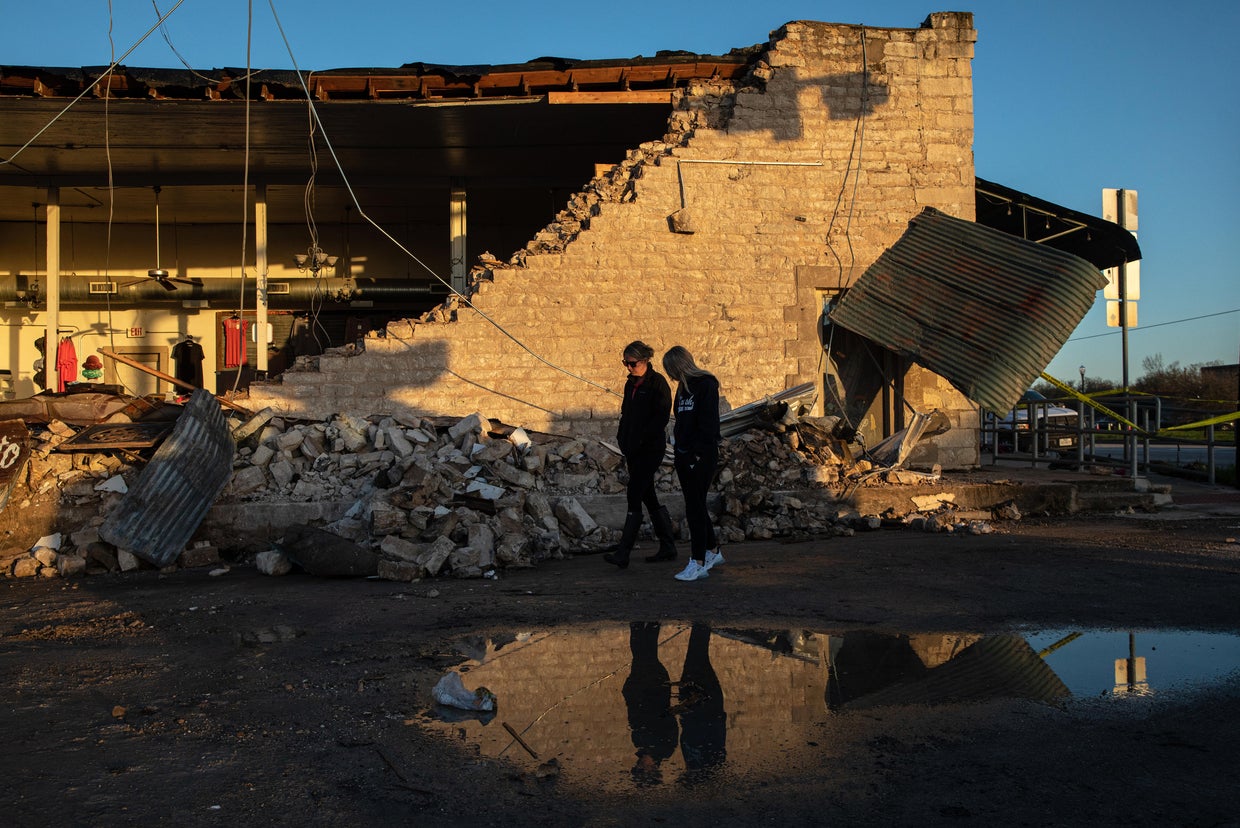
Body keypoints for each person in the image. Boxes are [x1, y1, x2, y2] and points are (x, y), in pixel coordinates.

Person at [604, 341, 678, 568]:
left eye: (632, 363)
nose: (628, 367)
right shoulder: (631, 385)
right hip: (632, 450)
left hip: (649, 450)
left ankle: (623, 552)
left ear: (644, 361)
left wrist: (641, 441)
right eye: (625, 363)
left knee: (634, 494)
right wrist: (622, 438)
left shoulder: (658, 385)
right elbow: (626, 414)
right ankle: (668, 546)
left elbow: (660, 419)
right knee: (648, 494)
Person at [662, 345, 724, 582]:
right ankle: (713, 550)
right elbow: (681, 421)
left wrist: (696, 454)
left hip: (701, 456)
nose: (670, 375)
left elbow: (709, 423)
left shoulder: (706, 384)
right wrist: (680, 450)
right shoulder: (682, 388)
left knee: (694, 508)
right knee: (694, 504)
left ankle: (698, 561)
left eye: (671, 370)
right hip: (683, 454)